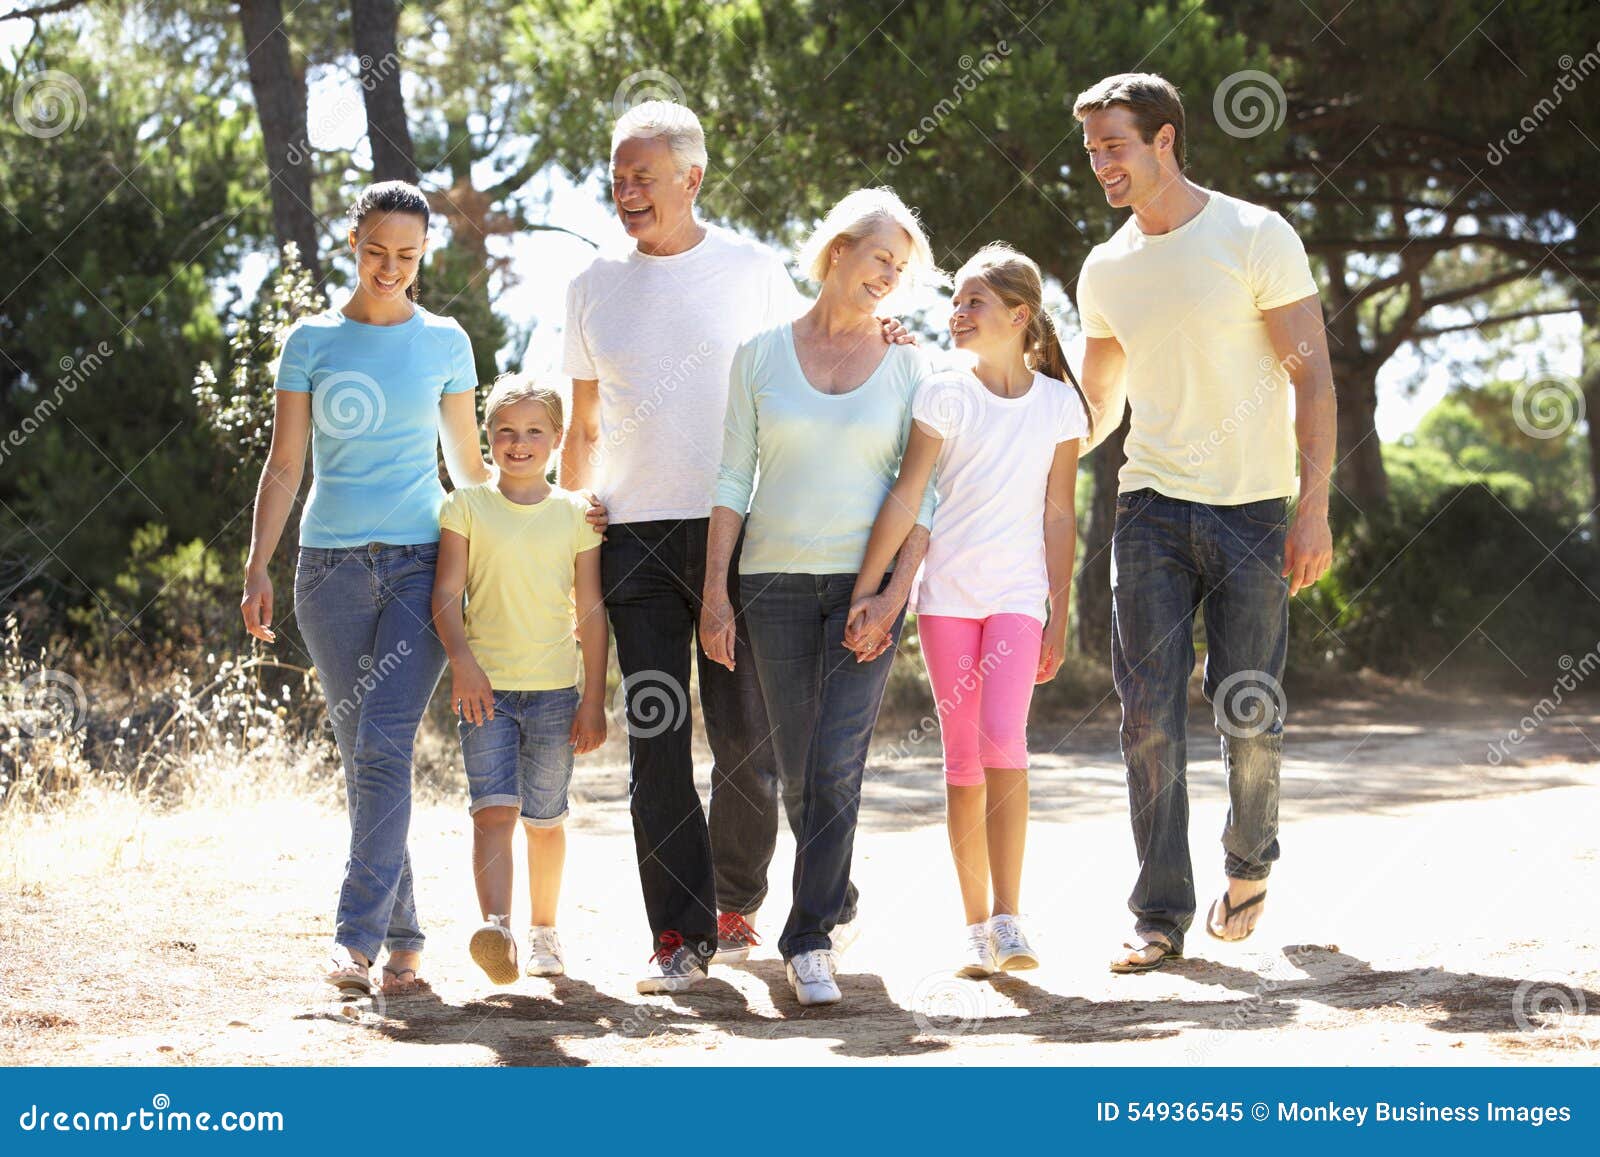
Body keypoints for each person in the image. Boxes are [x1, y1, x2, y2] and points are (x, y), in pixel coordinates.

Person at [560, 101, 899, 992]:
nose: (626, 190)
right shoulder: (592, 283)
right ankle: (678, 935)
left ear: (691, 179)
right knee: (658, 738)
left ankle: (738, 897)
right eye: (618, 175)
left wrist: (885, 333)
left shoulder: (749, 268)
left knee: (749, 735)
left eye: (644, 175)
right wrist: (568, 507)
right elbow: (583, 420)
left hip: (738, 532)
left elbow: (816, 347)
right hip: (630, 535)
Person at [1070, 74, 1336, 973]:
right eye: (1092, 148)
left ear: (1166, 140)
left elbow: (1313, 377)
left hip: (1255, 510)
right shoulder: (1105, 268)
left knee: (1247, 709)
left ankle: (1251, 860)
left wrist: (1313, 506)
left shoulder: (1256, 234)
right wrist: (997, 413)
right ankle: (1159, 912)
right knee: (1147, 710)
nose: (1101, 162)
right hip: (1148, 506)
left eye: (1115, 144)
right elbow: (1095, 405)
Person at [240, 180, 491, 996]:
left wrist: (508, 544)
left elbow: (467, 469)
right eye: (378, 251)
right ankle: (407, 940)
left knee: (381, 744)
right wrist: (257, 563)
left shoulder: (447, 341)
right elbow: (286, 465)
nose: (391, 268)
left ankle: (355, 941)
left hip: (423, 565)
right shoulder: (310, 342)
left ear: (426, 255)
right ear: (353, 242)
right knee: (365, 755)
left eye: (409, 256)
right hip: (328, 570)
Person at [702, 187, 940, 1007]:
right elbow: (734, 475)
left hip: (866, 588)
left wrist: (894, 589)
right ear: (838, 248)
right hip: (768, 581)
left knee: (836, 762)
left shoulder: (912, 362)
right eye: (881, 257)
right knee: (799, 771)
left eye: (901, 269)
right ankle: (836, 900)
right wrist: (714, 591)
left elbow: (923, 496)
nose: (889, 277)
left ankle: (806, 939)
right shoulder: (760, 354)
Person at [850, 243, 1089, 978]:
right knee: (962, 759)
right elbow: (906, 494)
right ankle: (974, 924)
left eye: (973, 301)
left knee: (1004, 745)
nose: (958, 311)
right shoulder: (943, 392)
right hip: (947, 598)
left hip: (1018, 600)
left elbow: (1058, 517)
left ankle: (1012, 918)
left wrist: (1060, 609)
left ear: (1020, 316)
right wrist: (871, 586)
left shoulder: (1059, 405)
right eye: (955, 299)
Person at [431, 376, 607, 983]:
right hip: (485, 689)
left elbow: (590, 611)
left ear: (557, 440)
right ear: (488, 438)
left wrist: (594, 698)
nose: (519, 442)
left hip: (557, 693)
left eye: (534, 431)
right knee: (492, 812)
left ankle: (545, 935)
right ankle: (498, 930)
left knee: (546, 818)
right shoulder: (467, 506)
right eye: (505, 431)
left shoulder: (577, 515)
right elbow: (446, 593)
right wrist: (463, 662)